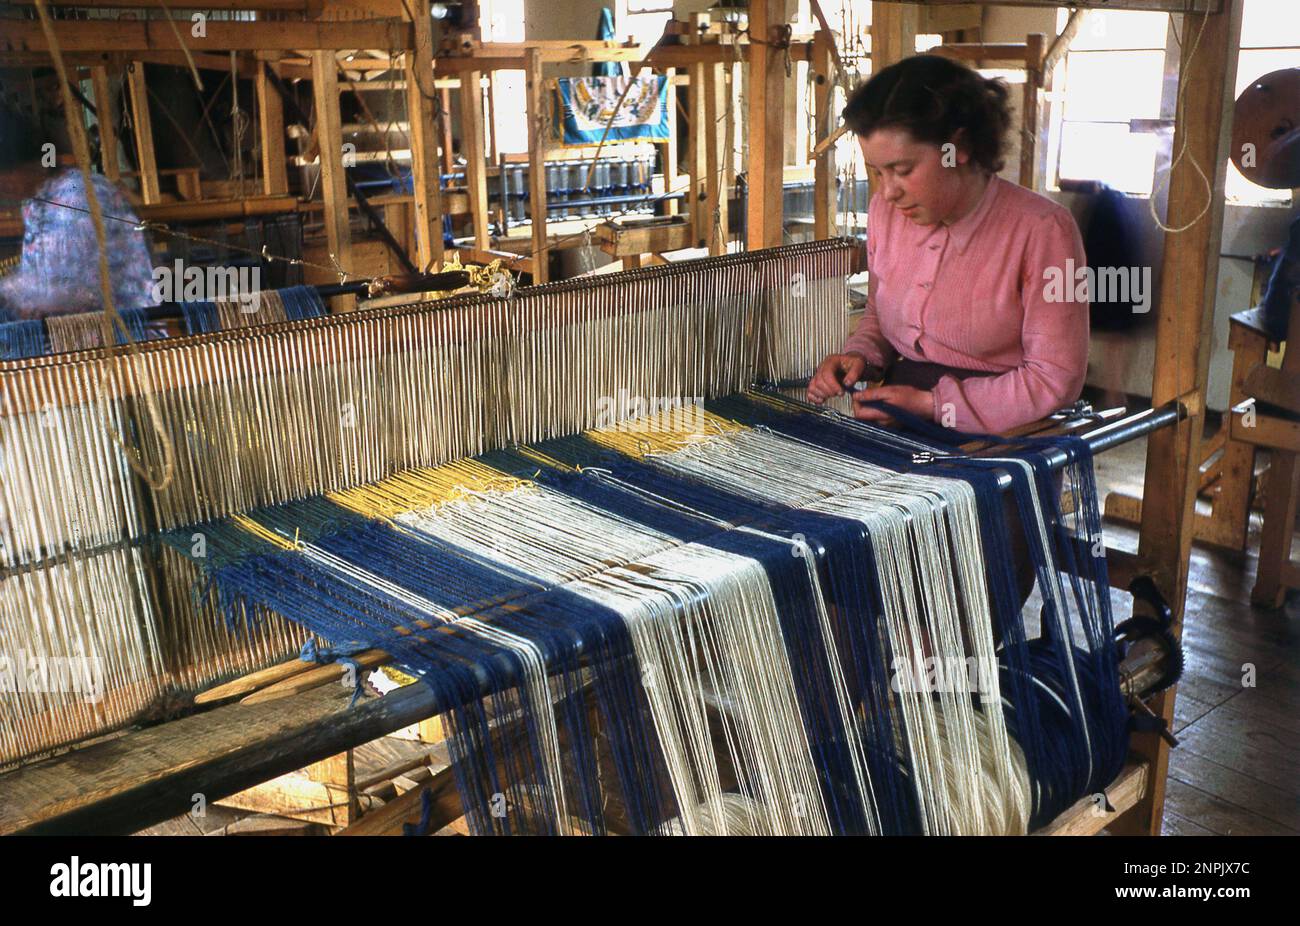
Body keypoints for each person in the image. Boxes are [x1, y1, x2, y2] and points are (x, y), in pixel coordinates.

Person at [807, 55, 1089, 436]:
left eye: (903, 170)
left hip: (1006, 438)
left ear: (959, 147)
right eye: (877, 172)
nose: (888, 192)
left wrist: (934, 406)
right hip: (902, 418)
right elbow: (878, 313)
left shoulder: (1045, 231)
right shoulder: (885, 213)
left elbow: (1055, 379)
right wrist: (860, 357)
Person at [0, 102, 155, 321]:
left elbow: (64, 291)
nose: (3, 185)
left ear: (27, 164)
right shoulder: (36, 203)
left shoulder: (78, 194)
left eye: (5, 173)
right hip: (74, 329)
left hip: (120, 331)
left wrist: (7, 289)